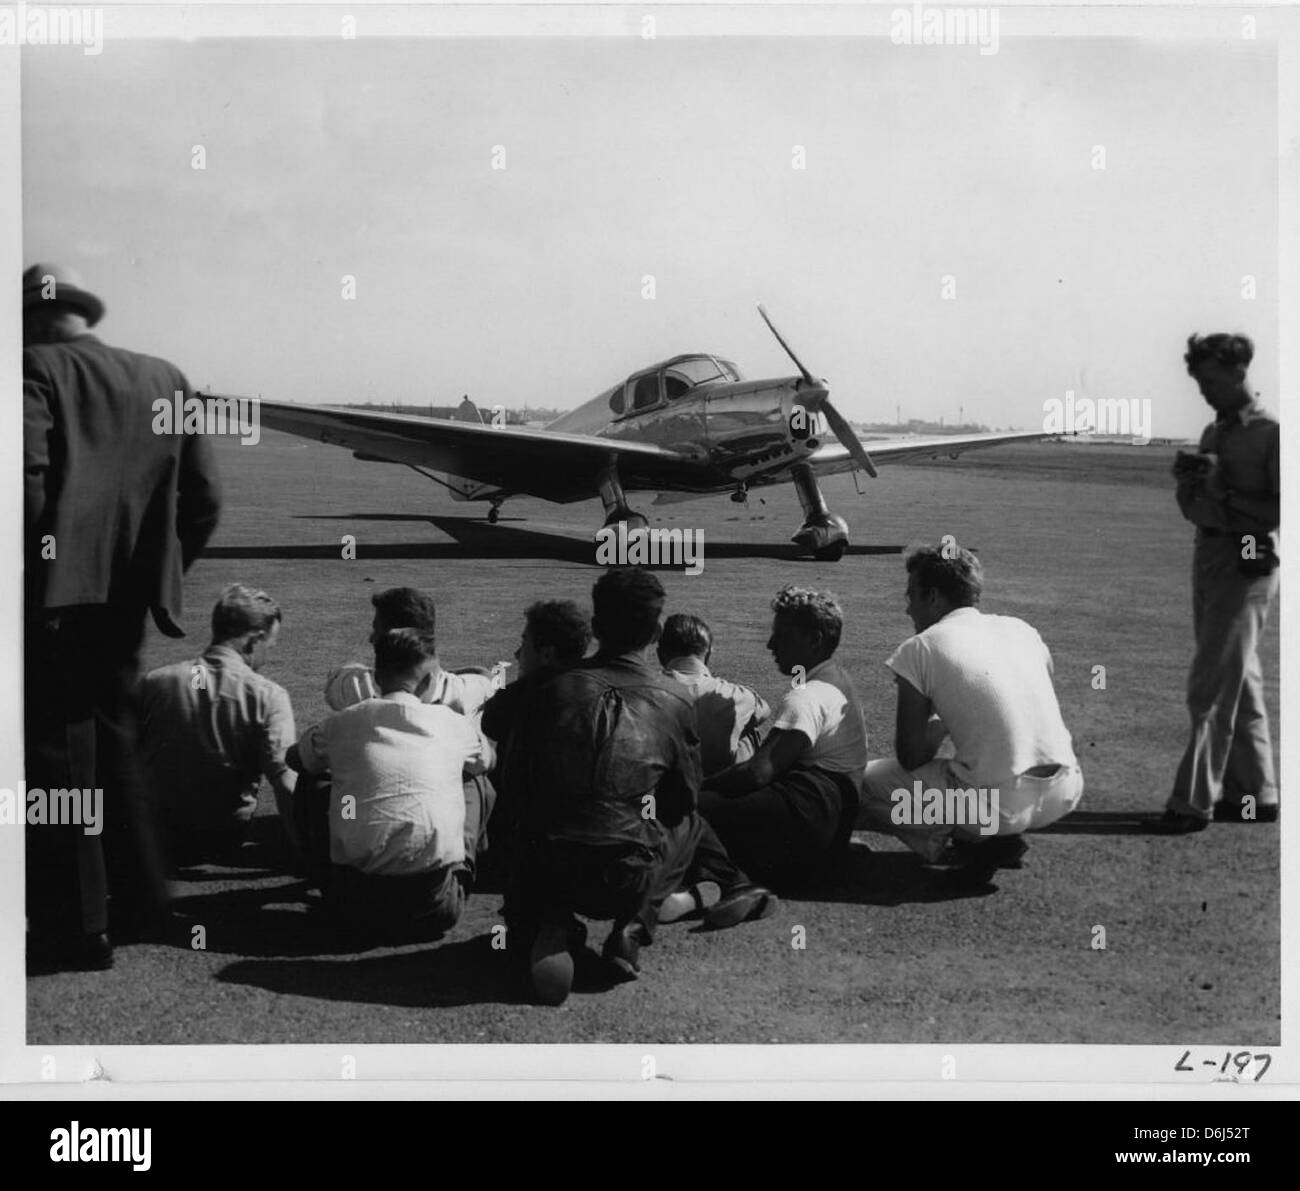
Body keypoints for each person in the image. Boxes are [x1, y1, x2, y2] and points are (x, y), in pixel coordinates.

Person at [23, 263, 222, 969]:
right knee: (116, 740)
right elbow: (203, 501)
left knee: (53, 761)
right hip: (126, 603)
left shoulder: (32, 368)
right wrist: (154, 576)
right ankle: (142, 904)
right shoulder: (165, 376)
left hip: (47, 602)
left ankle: (77, 928)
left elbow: (23, 482)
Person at [499, 568, 775, 1006]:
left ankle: (547, 915)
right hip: (622, 877)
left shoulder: (547, 686)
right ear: (654, 633)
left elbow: (505, 757)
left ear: (594, 627)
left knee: (535, 798)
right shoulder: (674, 700)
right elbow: (682, 799)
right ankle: (633, 926)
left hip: (544, 861)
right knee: (687, 816)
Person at [858, 545, 1083, 875]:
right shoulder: (1022, 629)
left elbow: (911, 755)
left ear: (933, 597)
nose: (908, 609)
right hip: (1064, 792)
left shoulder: (919, 648)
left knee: (859, 783)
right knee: (982, 767)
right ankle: (992, 837)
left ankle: (976, 838)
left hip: (997, 807)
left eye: (911, 596)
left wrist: (940, 719)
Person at [288, 628, 488, 944]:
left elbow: (295, 759)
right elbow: (485, 761)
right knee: (476, 781)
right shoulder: (452, 723)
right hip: (435, 909)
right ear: (429, 682)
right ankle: (465, 867)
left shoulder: (343, 721)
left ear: (377, 677)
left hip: (350, 907)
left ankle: (316, 866)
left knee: (314, 774)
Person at [1158, 333, 1280, 833]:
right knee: (1240, 678)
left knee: (1208, 685)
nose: (1204, 391)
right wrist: (1190, 485)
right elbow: (1195, 509)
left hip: (1248, 558)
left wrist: (1223, 493)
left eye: (1210, 380)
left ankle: (1192, 804)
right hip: (1208, 555)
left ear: (1238, 371)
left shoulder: (1271, 433)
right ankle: (1255, 794)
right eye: (1198, 382)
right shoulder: (1213, 433)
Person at [296, 587, 497, 888]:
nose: (370, 637)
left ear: (393, 639)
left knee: (320, 772)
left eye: (376, 629)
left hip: (367, 821)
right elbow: (485, 681)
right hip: (431, 825)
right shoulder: (468, 691)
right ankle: (463, 861)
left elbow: (338, 680)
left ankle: (324, 862)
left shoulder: (359, 688)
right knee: (475, 778)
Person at [699, 585, 866, 888]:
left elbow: (756, 773)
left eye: (783, 636)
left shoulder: (808, 696)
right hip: (833, 824)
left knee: (690, 812)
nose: (770, 644)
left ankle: (726, 883)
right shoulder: (836, 678)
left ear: (813, 640)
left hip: (810, 820)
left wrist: (699, 789)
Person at [137, 585, 297, 866]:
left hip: (153, 834)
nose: (269, 652)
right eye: (270, 644)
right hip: (222, 836)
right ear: (254, 640)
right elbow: (284, 781)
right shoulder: (268, 695)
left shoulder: (156, 681)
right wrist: (302, 848)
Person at [658, 613, 771, 777]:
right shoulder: (736, 696)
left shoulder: (638, 691)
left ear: (661, 654)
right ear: (708, 653)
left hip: (656, 790)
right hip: (714, 787)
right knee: (748, 730)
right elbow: (764, 711)